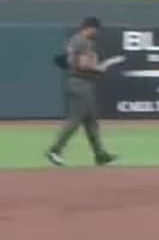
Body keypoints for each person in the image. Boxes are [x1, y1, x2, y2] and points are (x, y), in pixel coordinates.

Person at [46, 16, 117, 167]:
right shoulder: (84, 42)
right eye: (95, 30)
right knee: (75, 120)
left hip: (77, 82)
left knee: (91, 121)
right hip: (81, 83)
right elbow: (83, 65)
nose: (97, 33)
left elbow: (66, 61)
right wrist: (99, 68)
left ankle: (100, 154)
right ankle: (55, 150)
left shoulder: (73, 40)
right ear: (89, 28)